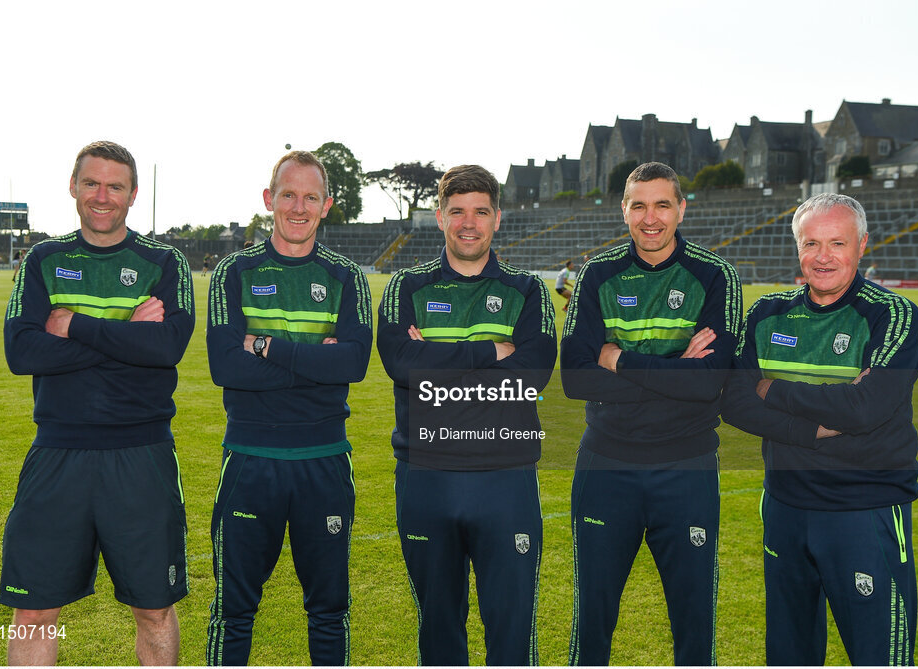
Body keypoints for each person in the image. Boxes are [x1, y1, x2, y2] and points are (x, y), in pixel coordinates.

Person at [2, 140, 194, 665]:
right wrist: (127, 333)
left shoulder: (163, 262)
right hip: (57, 452)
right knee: (33, 611)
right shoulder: (44, 259)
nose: (102, 196)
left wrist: (75, 327)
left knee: (153, 609)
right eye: (91, 183)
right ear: (73, 187)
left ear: (133, 194)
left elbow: (166, 348)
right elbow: (22, 352)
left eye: (115, 186)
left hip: (141, 454)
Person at [721, 192, 918, 665]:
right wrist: (813, 429)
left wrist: (771, 388)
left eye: (837, 243)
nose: (823, 256)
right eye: (811, 243)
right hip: (784, 506)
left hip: (865, 508)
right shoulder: (766, 313)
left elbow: (865, 408)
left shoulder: (891, 315)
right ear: (798, 247)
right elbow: (732, 401)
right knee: (788, 654)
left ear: (862, 244)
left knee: (879, 656)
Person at [561, 162, 742, 665]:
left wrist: (617, 358)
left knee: (693, 617)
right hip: (605, 465)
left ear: (681, 208)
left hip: (687, 468)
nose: (650, 217)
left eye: (662, 204)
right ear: (624, 211)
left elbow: (708, 383)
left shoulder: (715, 275)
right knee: (592, 614)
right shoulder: (598, 273)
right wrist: (677, 368)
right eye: (638, 205)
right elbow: (575, 378)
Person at [377, 165, 556, 665]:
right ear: (440, 217)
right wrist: (492, 352)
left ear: (497, 218)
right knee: (438, 628)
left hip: (505, 479)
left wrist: (435, 360)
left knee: (512, 629)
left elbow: (533, 374)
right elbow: (402, 365)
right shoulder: (406, 287)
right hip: (426, 477)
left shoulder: (528, 290)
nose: (469, 223)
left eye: (480, 211)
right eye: (457, 211)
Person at [205, 150, 372, 666]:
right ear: (268, 199)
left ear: (326, 206)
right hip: (250, 459)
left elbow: (353, 364)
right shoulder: (235, 271)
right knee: (233, 611)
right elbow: (225, 368)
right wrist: (317, 362)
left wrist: (264, 346)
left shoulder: (346, 277)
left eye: (311, 197)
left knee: (329, 611)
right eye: (289, 195)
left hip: (324, 462)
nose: (299, 207)